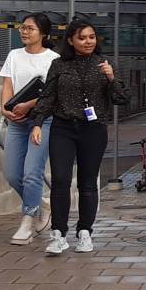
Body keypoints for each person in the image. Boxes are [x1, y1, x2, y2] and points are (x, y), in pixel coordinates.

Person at [30, 19, 129, 255]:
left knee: (87, 182)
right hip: (63, 128)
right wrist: (37, 123)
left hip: (93, 130)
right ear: (71, 41)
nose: (88, 42)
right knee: (61, 180)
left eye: (92, 37)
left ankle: (85, 232)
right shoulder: (59, 65)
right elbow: (48, 97)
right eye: (82, 37)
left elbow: (122, 99)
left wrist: (111, 78)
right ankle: (58, 234)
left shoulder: (104, 65)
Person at [0, 13, 58, 245]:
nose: (24, 32)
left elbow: (51, 93)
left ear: (43, 33)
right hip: (16, 122)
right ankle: (42, 205)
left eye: (30, 29)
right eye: (22, 28)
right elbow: (7, 84)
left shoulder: (54, 59)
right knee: (13, 174)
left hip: (42, 121)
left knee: (32, 173)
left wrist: (28, 105)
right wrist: (5, 108)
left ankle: (27, 221)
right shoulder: (14, 55)